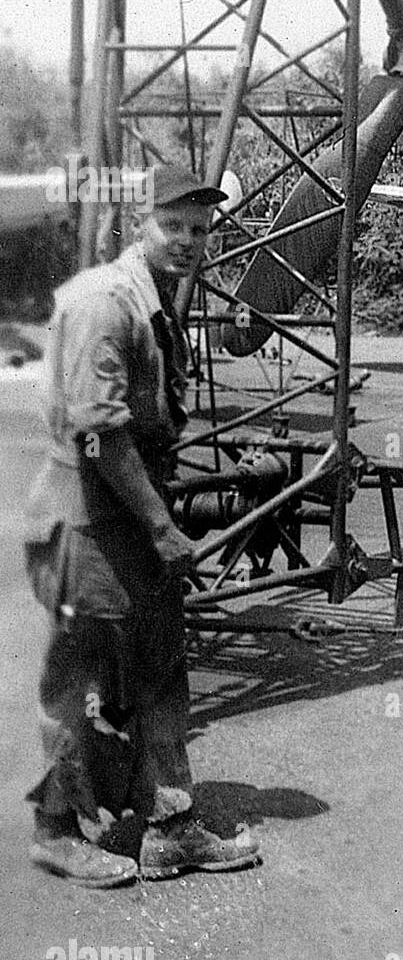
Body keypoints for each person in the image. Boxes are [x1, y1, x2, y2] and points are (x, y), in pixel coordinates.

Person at [25, 163, 260, 886]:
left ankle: (169, 824)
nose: (190, 241)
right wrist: (162, 524)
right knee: (80, 676)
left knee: (160, 667)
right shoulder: (105, 301)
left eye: (199, 229)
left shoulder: (149, 296)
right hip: (89, 521)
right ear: (138, 225)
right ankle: (57, 827)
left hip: (127, 516)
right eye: (174, 226)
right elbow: (100, 432)